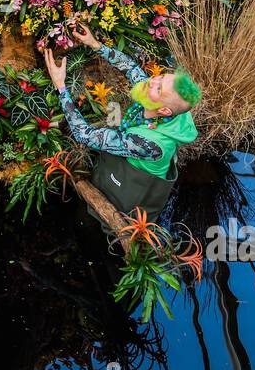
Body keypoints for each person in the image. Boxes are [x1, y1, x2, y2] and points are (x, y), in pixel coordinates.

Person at [42, 21, 201, 232]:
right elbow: (131, 68)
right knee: (114, 112)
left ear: (164, 111)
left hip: (128, 199)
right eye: (160, 76)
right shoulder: (159, 103)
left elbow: (84, 134)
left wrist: (61, 86)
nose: (151, 81)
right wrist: (95, 45)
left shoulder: (149, 144)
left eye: (159, 88)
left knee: (96, 227)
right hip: (124, 161)